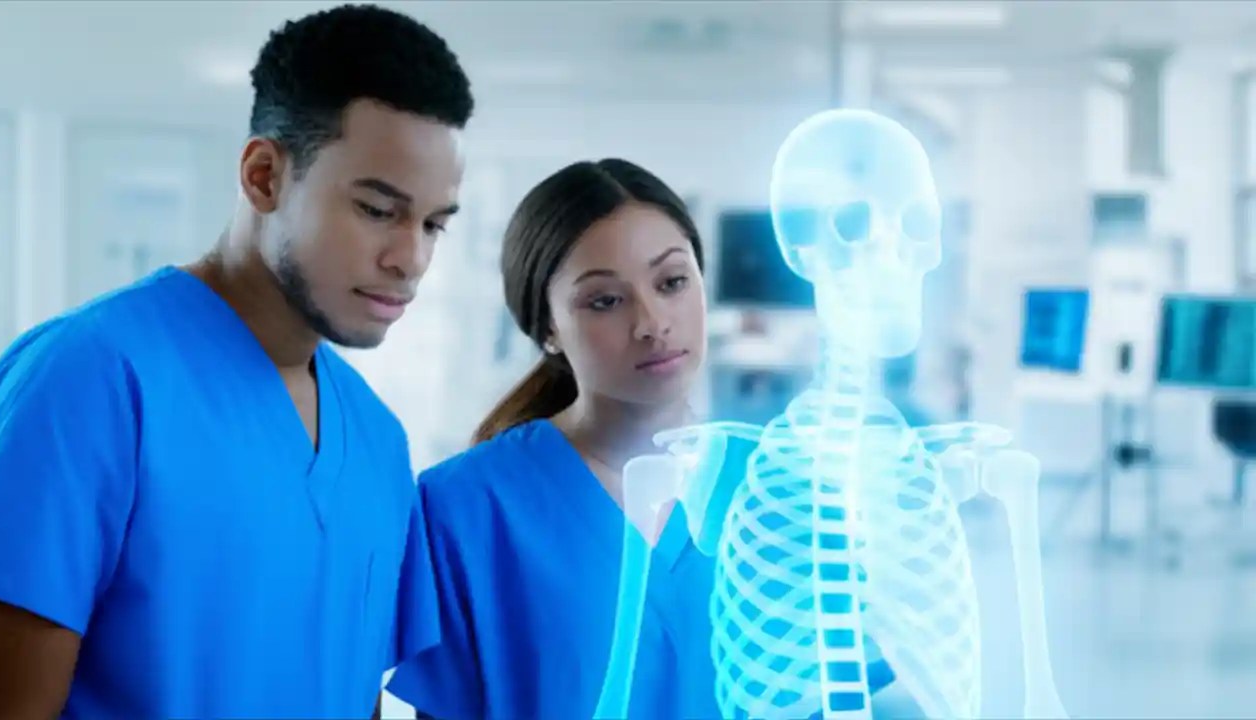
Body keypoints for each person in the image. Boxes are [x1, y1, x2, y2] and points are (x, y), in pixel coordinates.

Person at [0, 4, 472, 718]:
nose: (411, 259)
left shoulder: (377, 445)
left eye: (432, 224)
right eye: (376, 209)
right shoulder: (89, 380)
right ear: (265, 176)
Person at [385, 158, 904, 719]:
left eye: (673, 282)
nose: (653, 322)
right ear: (548, 328)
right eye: (605, 300)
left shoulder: (788, 493)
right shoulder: (467, 507)